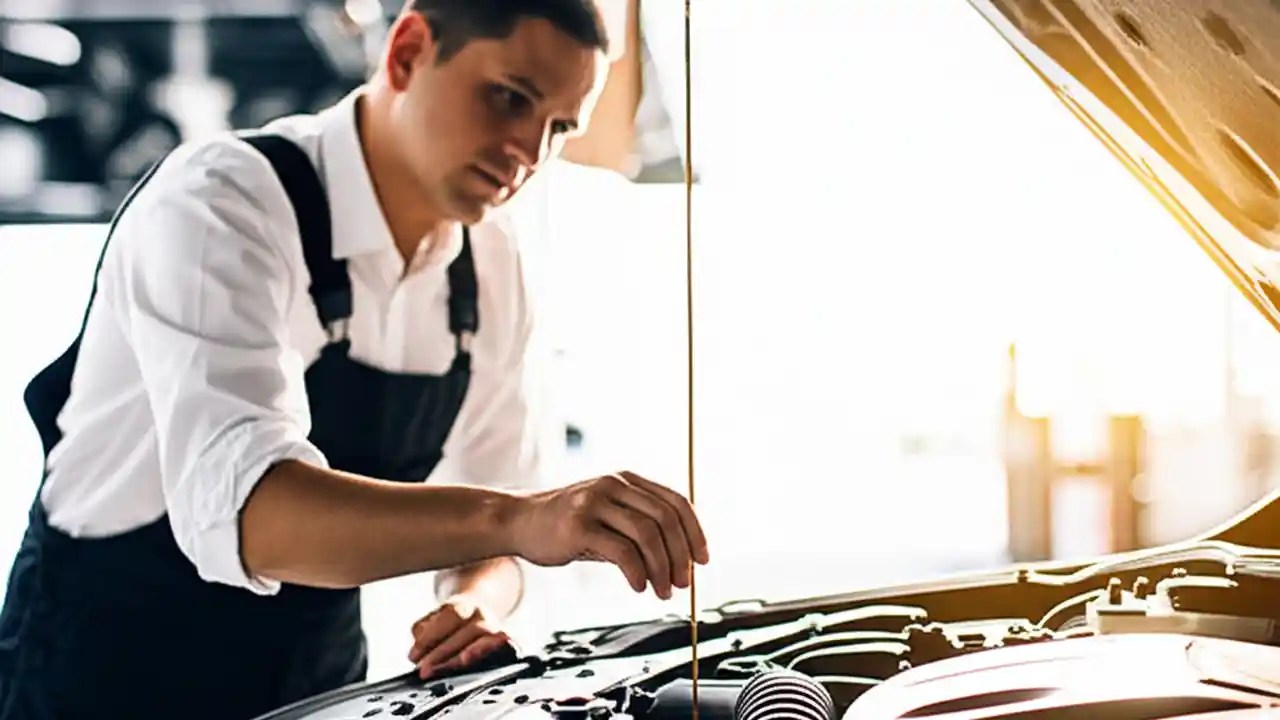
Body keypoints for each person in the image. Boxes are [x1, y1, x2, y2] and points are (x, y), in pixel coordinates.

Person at [0, 1, 709, 718]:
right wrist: (521, 519)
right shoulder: (219, 201)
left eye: (558, 126)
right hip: (102, 674)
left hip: (316, 686)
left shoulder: (493, 262)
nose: (529, 150)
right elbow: (255, 517)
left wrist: (474, 604)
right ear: (406, 52)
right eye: (510, 97)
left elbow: (498, 519)